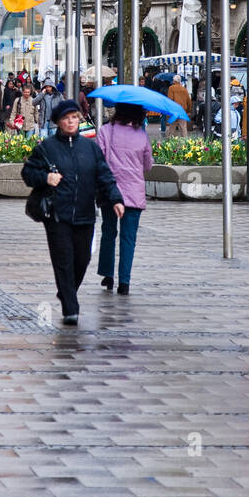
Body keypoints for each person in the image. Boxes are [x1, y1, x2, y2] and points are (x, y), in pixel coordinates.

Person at [21, 98, 123, 326]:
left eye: (75, 118)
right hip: (57, 215)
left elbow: (105, 176)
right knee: (63, 260)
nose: (71, 122)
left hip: (85, 213)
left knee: (82, 259)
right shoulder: (47, 148)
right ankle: (70, 307)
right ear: (58, 122)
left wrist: (115, 199)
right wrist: (46, 177)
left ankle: (67, 292)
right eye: (66, 118)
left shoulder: (90, 148)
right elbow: (28, 173)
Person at [95, 103, 153, 294]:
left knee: (109, 232)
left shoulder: (105, 131)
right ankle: (125, 283)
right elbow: (148, 165)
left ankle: (108, 274)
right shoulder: (142, 135)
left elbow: (98, 159)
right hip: (134, 193)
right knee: (129, 238)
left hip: (110, 191)